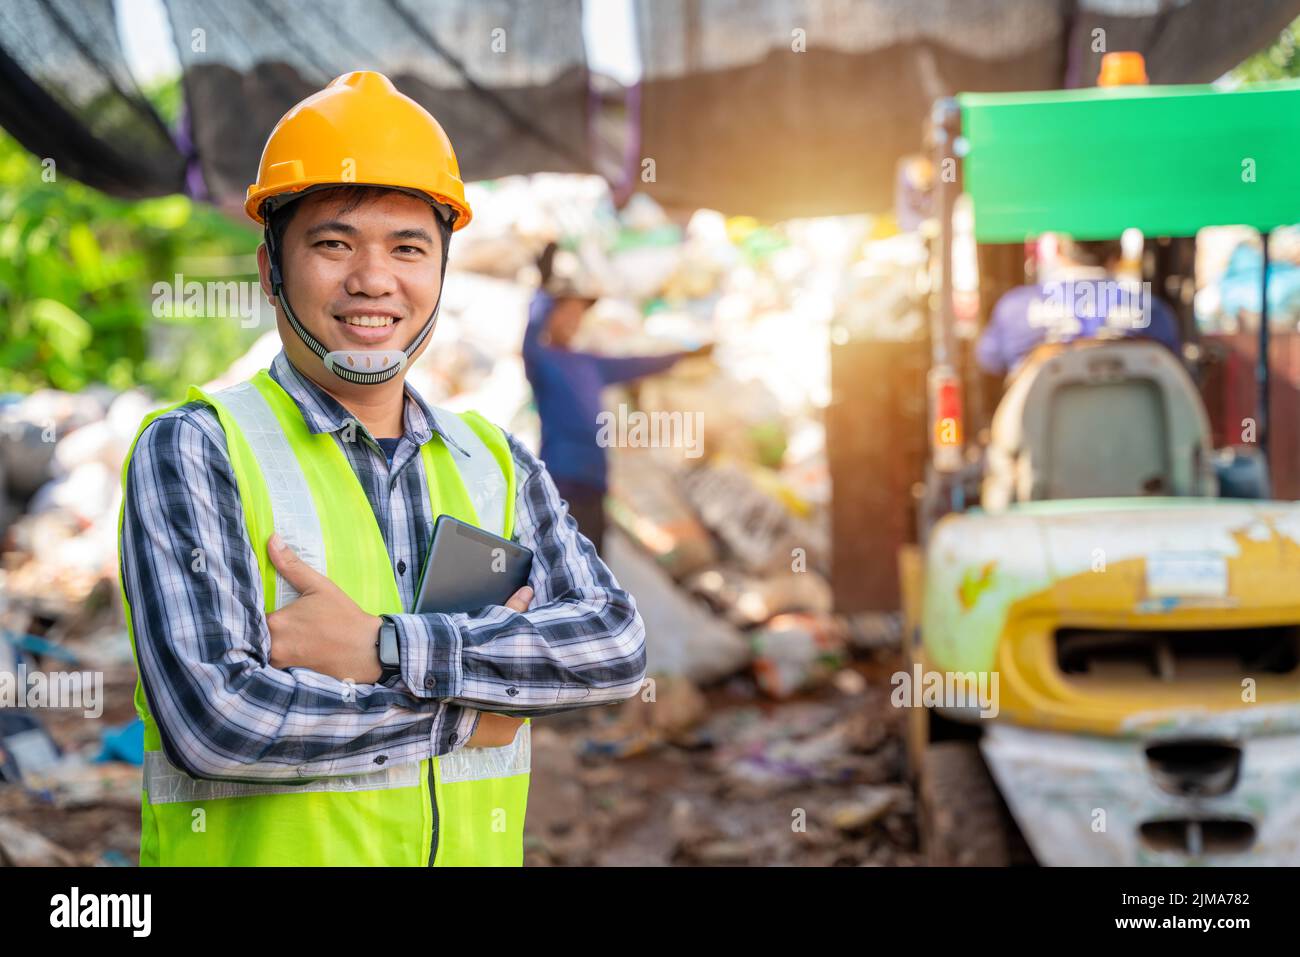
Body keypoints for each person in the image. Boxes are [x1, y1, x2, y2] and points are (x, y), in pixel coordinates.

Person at [116, 72, 647, 867]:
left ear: (440, 271)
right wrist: (464, 714)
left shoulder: (495, 461)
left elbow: (612, 648)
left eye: (408, 247)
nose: (374, 278)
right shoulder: (196, 448)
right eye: (334, 243)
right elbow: (218, 720)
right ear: (271, 268)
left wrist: (388, 647)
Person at [522, 242, 712, 555]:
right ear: (551, 316)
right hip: (561, 477)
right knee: (561, 558)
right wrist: (542, 288)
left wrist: (687, 355)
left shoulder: (590, 363)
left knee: (593, 559)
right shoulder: (541, 360)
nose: (573, 319)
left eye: (578, 313)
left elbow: (639, 364)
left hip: (595, 479)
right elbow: (530, 334)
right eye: (565, 311)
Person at [976, 236, 1182, 378]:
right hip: (1135, 436)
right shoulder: (1151, 309)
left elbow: (989, 361)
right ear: (1119, 254)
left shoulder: (1014, 306)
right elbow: (1175, 364)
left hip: (1037, 434)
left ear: (1057, 249)